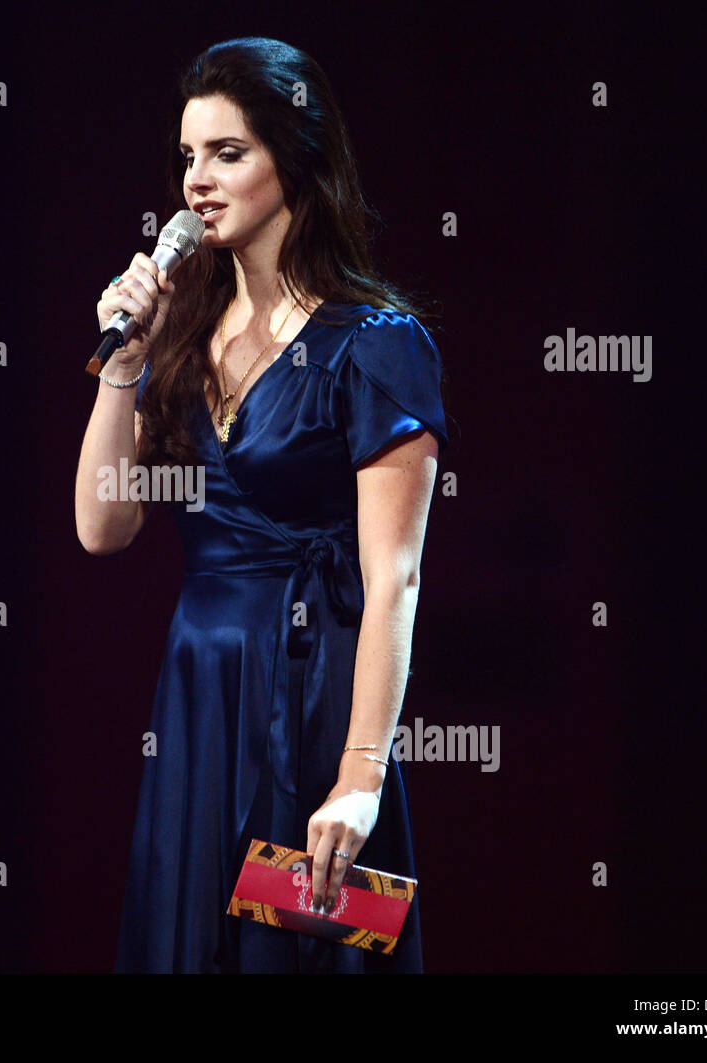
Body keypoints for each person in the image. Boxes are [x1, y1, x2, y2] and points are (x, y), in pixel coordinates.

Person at [74, 37, 450, 973]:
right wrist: (125, 362)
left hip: (313, 693)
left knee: (297, 952)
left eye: (228, 154)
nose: (197, 180)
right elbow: (101, 524)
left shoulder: (376, 343)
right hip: (201, 692)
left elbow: (392, 577)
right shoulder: (182, 336)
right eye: (189, 157)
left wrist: (360, 775)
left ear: (295, 158)